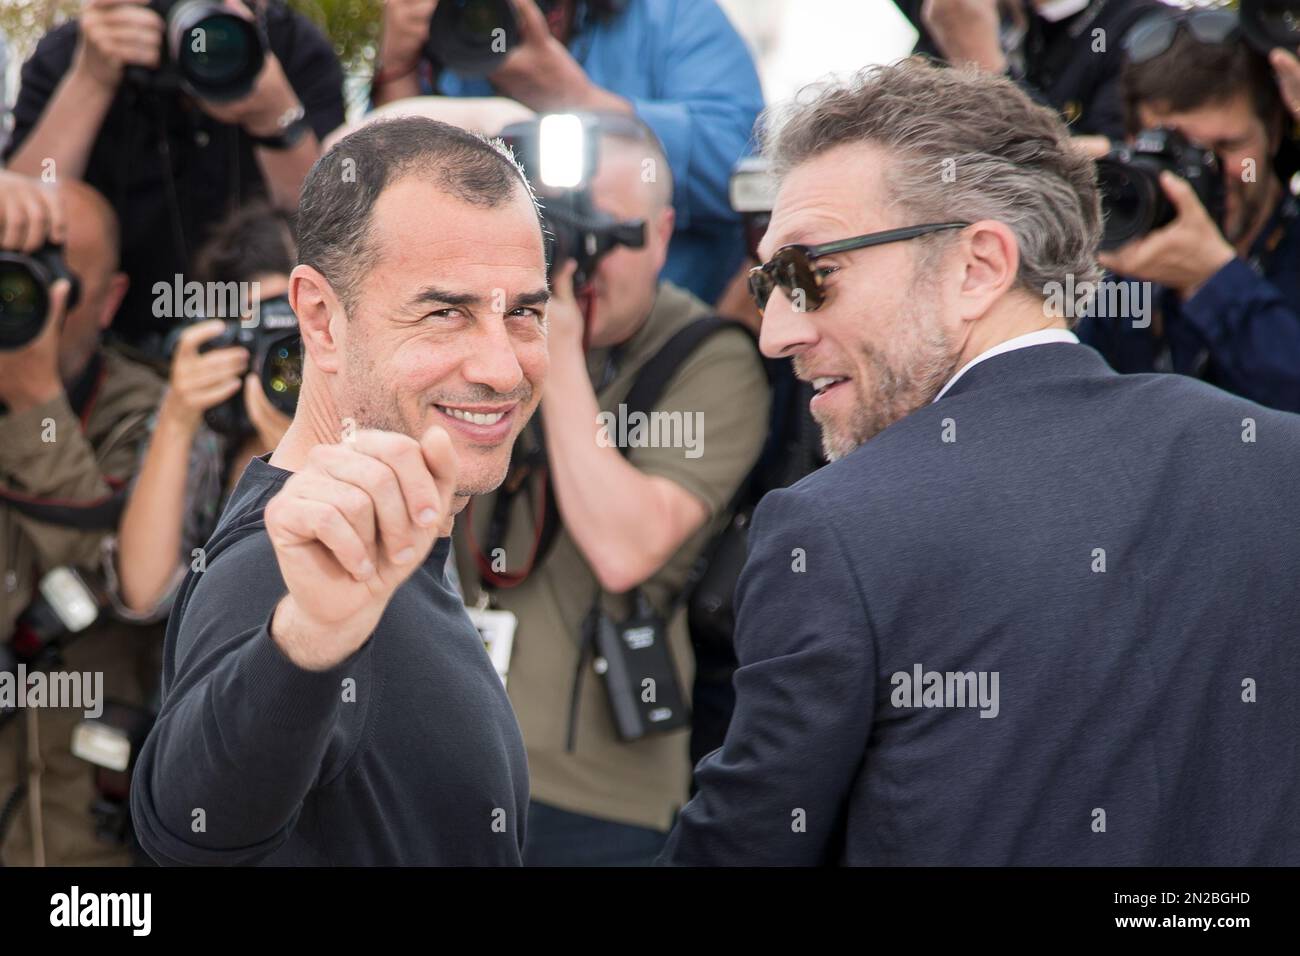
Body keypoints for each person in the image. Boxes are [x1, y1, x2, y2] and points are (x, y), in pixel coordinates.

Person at [660, 58, 1300, 866]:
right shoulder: (1280, 462)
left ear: (979, 267)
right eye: (764, 285)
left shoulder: (836, 527)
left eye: (807, 275)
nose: (775, 333)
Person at [130, 116, 548, 866]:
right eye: (444, 311)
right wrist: (306, 641)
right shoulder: (280, 564)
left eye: (523, 312)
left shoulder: (387, 540)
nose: (503, 367)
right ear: (320, 320)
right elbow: (187, 828)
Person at [450, 119, 769, 865]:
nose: (578, 262)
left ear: (662, 234)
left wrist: (556, 348)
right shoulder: (486, 329)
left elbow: (627, 549)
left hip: (595, 798)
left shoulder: (711, 360)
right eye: (557, 232)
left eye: (606, 235)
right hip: (445, 757)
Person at [3, 0, 345, 360]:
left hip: (268, 343)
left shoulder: (290, 46)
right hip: (110, 353)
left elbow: (327, 232)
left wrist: (274, 114)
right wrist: (90, 79)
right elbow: (20, 221)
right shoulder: (74, 53)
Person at [372, 0, 763, 305]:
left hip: (655, 337)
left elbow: (746, 171)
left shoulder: (671, 14)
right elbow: (393, 207)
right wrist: (398, 69)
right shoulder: (454, 26)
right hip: (489, 321)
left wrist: (574, 98)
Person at [0, 173, 164, 865]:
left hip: (89, 836)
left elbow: (116, 569)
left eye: (55, 269)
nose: (27, 294)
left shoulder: (154, 413)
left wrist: (34, 399)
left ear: (110, 300)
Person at [1077, 7, 1300, 413]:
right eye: (1180, 152)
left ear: (1273, 130)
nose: (1208, 174)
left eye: (1226, 148)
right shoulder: (1121, 257)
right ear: (1133, 141)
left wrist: (1212, 281)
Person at [106, 201, 294, 621]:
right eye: (264, 329)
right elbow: (144, 591)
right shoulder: (217, 420)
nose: (287, 359)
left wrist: (304, 457)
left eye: (298, 330)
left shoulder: (372, 427)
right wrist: (177, 416)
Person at [896, 0, 1164, 143]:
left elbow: (1112, 183)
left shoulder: (1147, 29)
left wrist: (983, 65)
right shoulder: (974, 15)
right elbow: (908, 140)